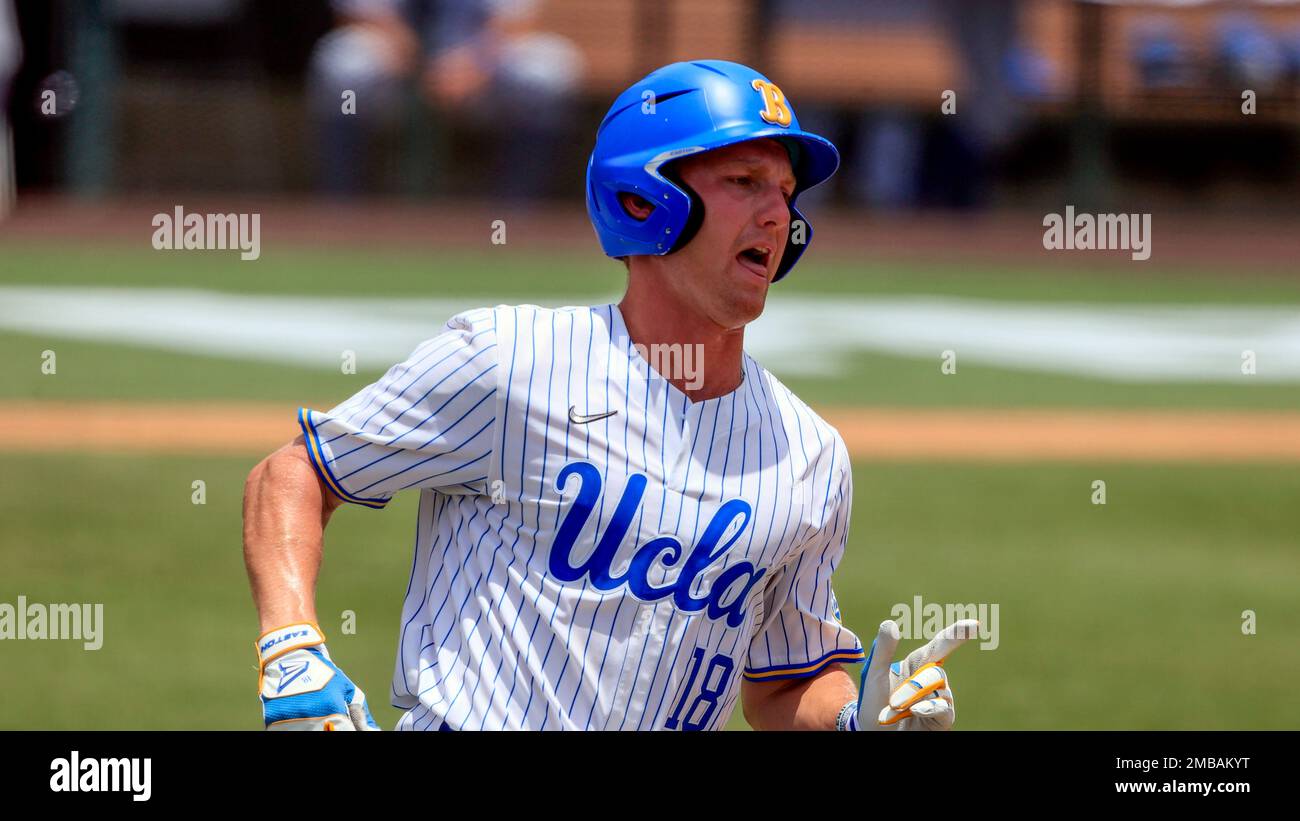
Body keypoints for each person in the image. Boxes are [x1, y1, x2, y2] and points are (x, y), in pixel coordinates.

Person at [242, 59, 976, 731]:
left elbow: (784, 680)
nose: (777, 215)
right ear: (646, 196)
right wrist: (292, 645)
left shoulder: (810, 454)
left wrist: (859, 721)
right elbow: (297, 473)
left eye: (786, 192)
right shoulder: (510, 362)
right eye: (744, 182)